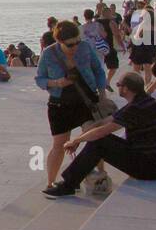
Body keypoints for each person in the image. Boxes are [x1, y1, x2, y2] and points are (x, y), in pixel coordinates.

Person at [43, 73, 156, 197]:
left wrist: (76, 140)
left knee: (99, 143)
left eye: (118, 85)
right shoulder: (144, 102)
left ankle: (68, 185)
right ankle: (73, 180)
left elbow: (104, 131)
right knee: (100, 140)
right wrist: (80, 139)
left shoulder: (136, 108)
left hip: (151, 168)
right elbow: (104, 122)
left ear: (125, 89)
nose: (117, 87)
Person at [36, 20, 109, 189]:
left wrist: (102, 93)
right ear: (59, 41)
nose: (76, 46)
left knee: (95, 138)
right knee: (59, 145)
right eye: (71, 44)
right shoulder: (48, 54)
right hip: (60, 104)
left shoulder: (85, 47)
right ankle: (50, 182)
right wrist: (57, 83)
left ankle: (100, 174)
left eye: (78, 41)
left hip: (86, 101)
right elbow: (39, 79)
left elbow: (98, 70)